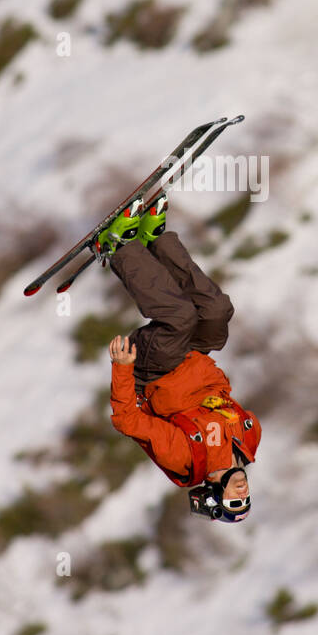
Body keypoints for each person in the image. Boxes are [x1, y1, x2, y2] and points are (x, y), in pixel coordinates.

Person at [95, 193, 260, 522]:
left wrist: (124, 370)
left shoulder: (187, 459)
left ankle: (116, 247)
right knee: (216, 311)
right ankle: (155, 241)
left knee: (180, 318)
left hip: (153, 370)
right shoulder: (250, 436)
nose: (242, 494)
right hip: (192, 358)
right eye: (246, 500)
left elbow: (129, 421)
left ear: (214, 495)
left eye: (233, 502)